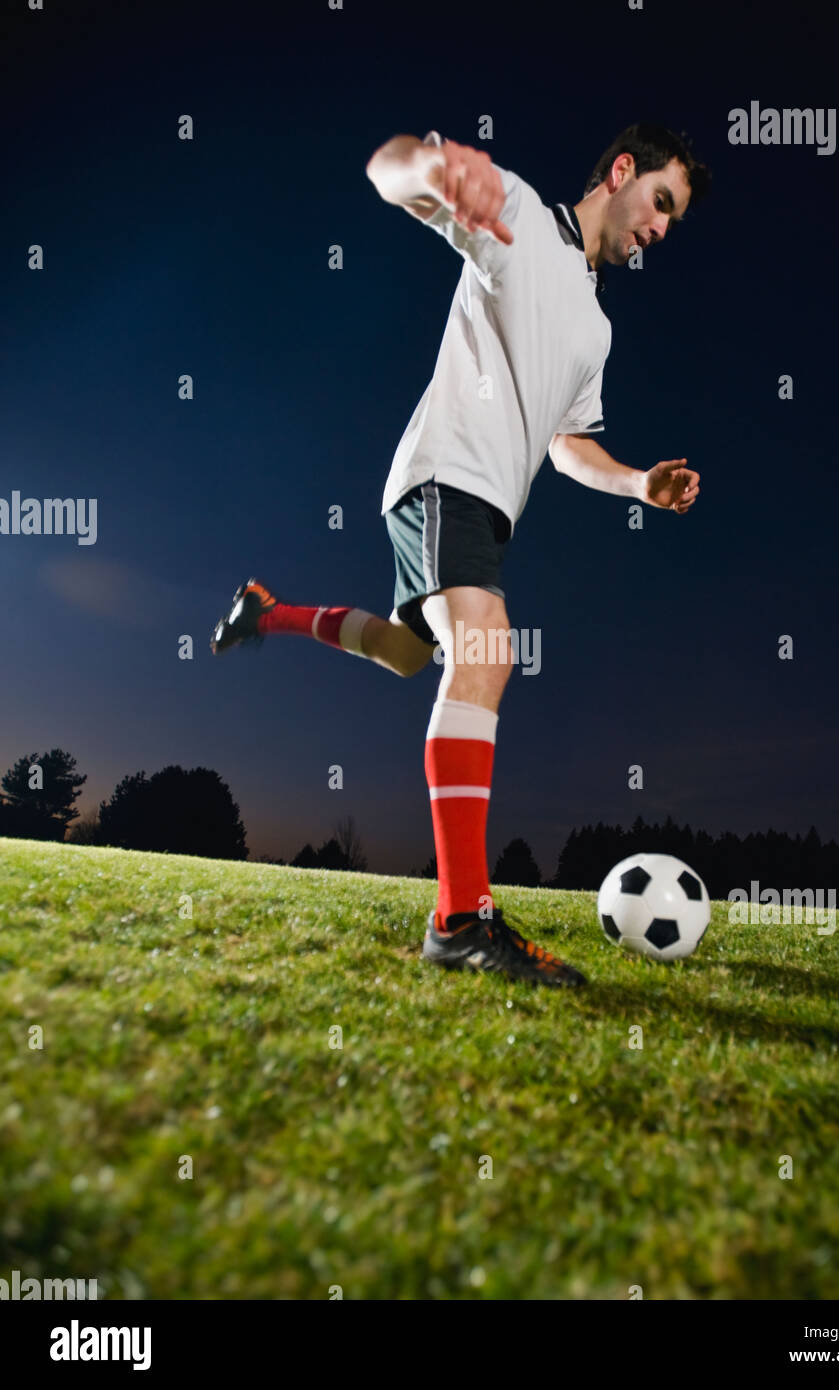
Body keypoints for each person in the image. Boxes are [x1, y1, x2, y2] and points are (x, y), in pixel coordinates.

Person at [211, 123, 710, 987]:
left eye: (675, 220)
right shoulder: (515, 213)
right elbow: (388, 171)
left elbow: (565, 445)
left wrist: (637, 485)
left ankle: (270, 611)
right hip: (447, 477)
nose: (661, 228)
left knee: (412, 655)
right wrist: (435, 167)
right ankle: (460, 919)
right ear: (621, 173)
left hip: (482, 506)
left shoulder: (596, 329)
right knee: (486, 649)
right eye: (660, 201)